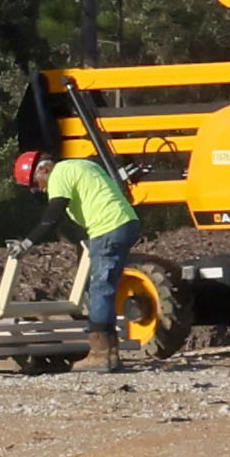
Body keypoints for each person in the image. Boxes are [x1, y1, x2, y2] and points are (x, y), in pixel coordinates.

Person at [37, 130, 143, 350]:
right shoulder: (82, 166)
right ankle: (110, 349)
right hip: (127, 222)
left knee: (100, 288)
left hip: (108, 227)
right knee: (107, 286)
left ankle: (100, 350)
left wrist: (28, 242)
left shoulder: (58, 175)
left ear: (44, 169)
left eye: (36, 183)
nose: (39, 189)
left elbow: (52, 215)